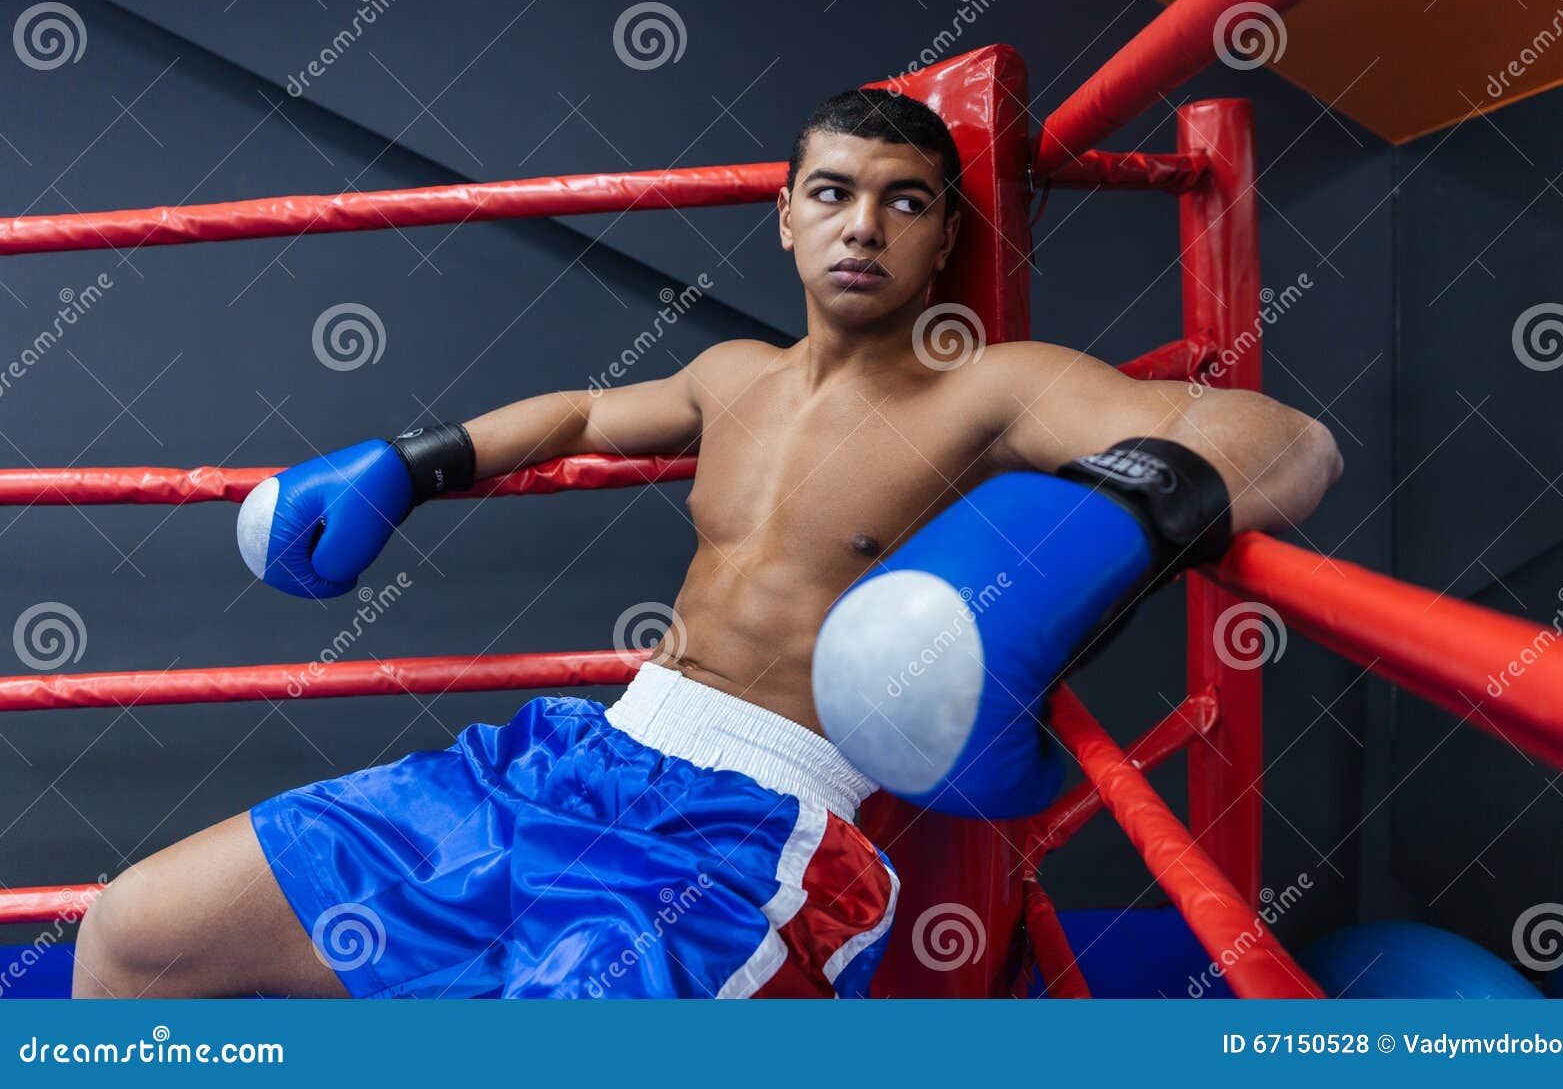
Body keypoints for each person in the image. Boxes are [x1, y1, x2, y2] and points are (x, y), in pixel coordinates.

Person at [71, 88, 1342, 999]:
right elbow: (578, 410)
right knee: (135, 935)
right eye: (834, 195)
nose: (864, 227)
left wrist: (1109, 514)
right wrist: (413, 463)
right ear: (784, 218)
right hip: (572, 760)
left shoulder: (993, 389)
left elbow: (1283, 442)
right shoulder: (730, 373)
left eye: (905, 205)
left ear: (941, 240)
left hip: (743, 835)